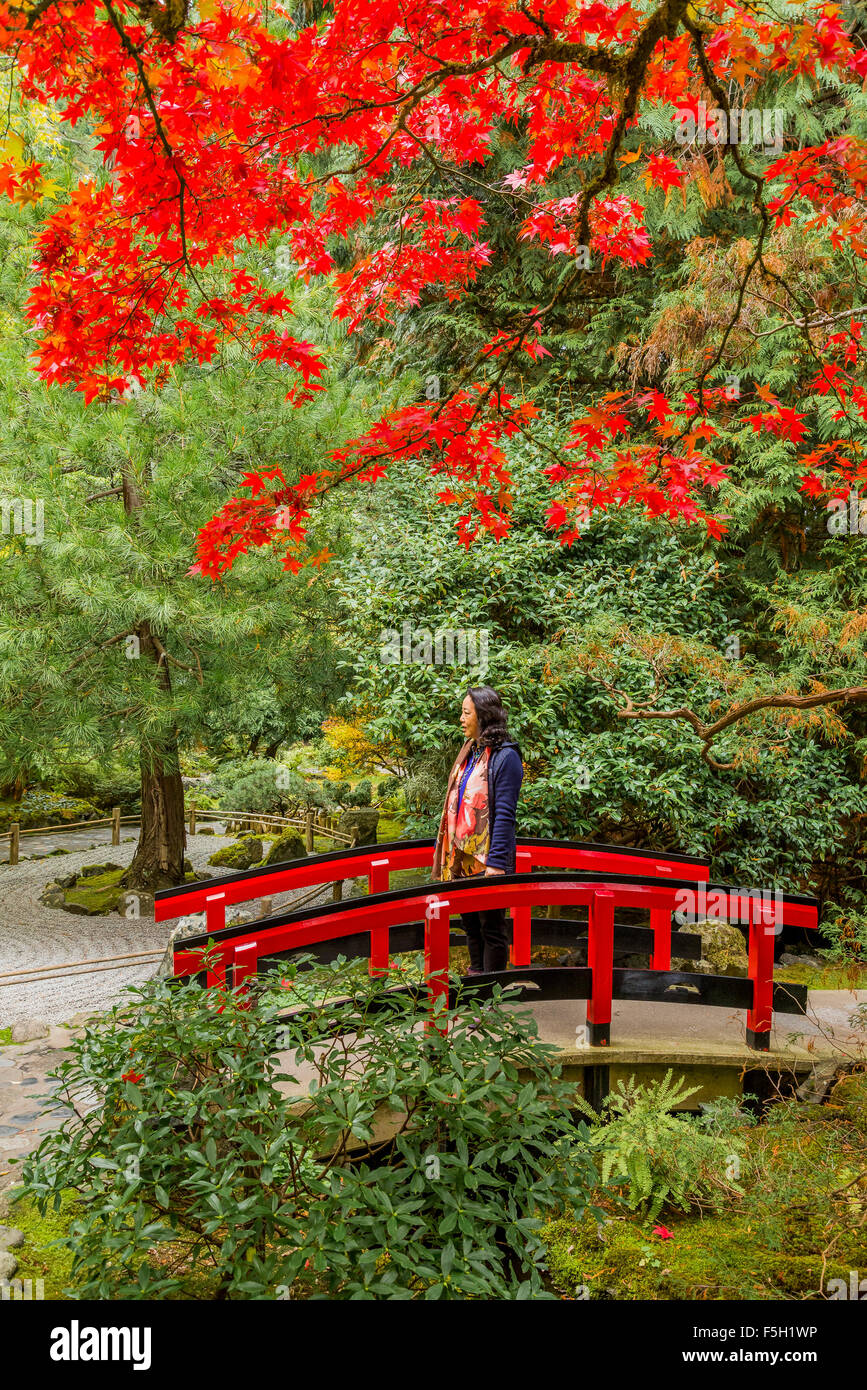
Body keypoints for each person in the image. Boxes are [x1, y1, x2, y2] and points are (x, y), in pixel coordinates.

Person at [432, 685, 524, 974]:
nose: (461, 718)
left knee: (492, 929)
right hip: (461, 857)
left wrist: (497, 864)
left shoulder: (505, 756)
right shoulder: (471, 752)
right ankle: (475, 988)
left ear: (483, 716)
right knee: (470, 926)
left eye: (465, 712)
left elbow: (505, 814)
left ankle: (490, 999)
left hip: (488, 861)